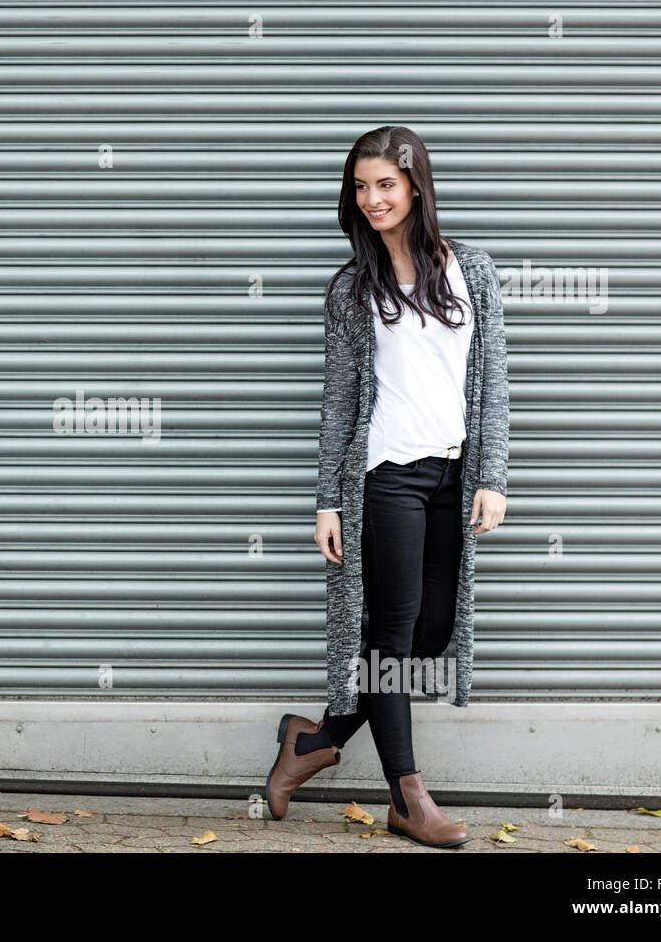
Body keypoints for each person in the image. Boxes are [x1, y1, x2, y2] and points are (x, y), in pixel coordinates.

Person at [262, 126, 510, 848]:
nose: (372, 199)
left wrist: (492, 477)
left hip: (453, 475)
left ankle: (316, 741)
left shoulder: (472, 270)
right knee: (394, 634)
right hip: (385, 478)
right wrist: (328, 501)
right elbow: (339, 401)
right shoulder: (352, 289)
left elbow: (494, 381)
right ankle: (407, 797)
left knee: (431, 634)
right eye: (361, 187)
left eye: (386, 185)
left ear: (416, 188)